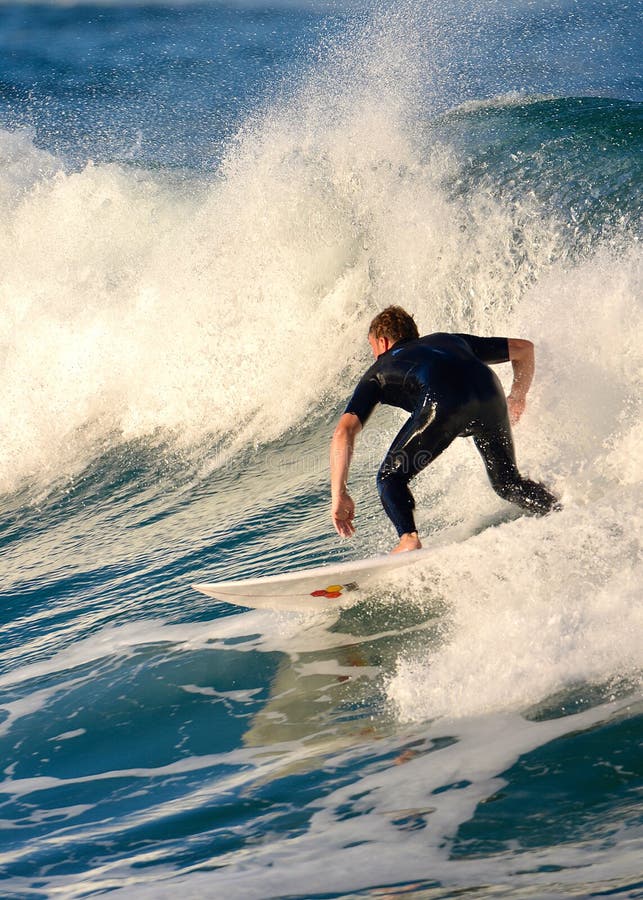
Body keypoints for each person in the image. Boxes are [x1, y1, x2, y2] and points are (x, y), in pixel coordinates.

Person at [330, 306, 560, 553]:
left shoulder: (379, 369)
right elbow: (524, 349)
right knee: (507, 484)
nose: (374, 355)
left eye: (372, 347)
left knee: (390, 477)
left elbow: (344, 432)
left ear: (383, 342)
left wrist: (339, 494)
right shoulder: (450, 340)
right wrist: (517, 396)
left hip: (444, 399)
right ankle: (559, 508)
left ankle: (408, 539)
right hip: (491, 394)